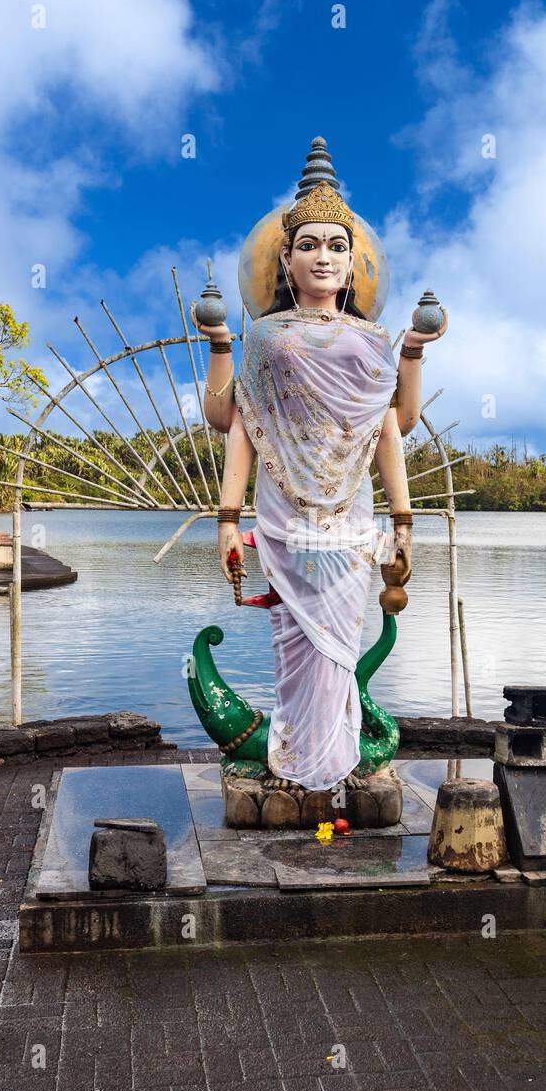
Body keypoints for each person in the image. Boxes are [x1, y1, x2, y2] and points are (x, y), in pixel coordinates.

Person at [200, 165, 447, 792]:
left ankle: (332, 763)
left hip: (350, 517)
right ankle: (295, 759)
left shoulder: (370, 341)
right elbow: (237, 426)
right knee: (294, 643)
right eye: (308, 244)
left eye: (337, 245)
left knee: (338, 645)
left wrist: (404, 522)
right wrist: (228, 519)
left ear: (354, 260)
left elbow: (394, 425)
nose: (323, 257)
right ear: (284, 259)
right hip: (283, 514)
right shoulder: (267, 338)